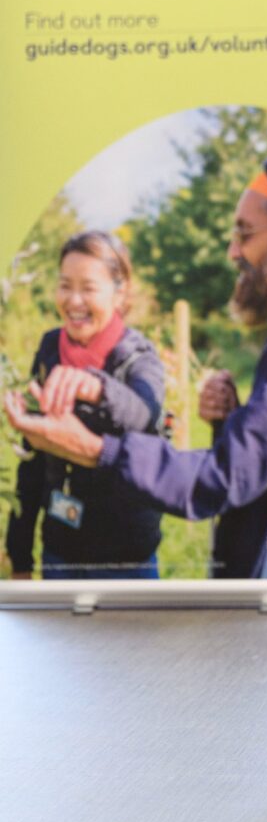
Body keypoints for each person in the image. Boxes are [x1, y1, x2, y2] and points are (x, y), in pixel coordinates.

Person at [5, 150, 267, 580]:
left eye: (244, 234)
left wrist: (93, 446)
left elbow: (223, 475)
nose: (231, 251)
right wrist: (232, 420)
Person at [5, 231, 165, 579]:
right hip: (60, 552)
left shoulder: (137, 357)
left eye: (88, 288)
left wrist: (97, 386)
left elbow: (144, 413)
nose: (73, 300)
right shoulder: (50, 349)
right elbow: (32, 459)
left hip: (125, 560)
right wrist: (19, 558)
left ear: (119, 291)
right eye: (65, 285)